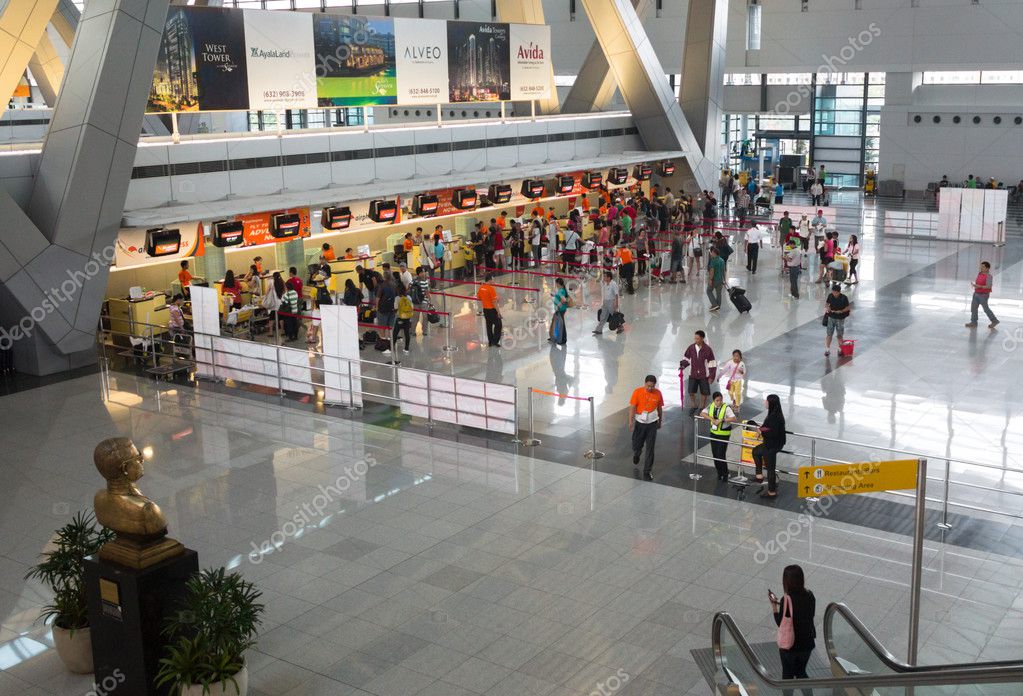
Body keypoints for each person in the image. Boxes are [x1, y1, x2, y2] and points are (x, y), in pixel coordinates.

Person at [770, 565, 816, 692]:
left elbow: (781, 622)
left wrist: (774, 605)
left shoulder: (786, 599)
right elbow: (809, 615)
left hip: (790, 646)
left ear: (787, 581)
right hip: (807, 644)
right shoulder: (810, 595)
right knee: (801, 672)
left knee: (788, 675)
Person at [629, 375, 664, 481]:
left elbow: (659, 408)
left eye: (652, 386)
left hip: (652, 423)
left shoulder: (658, 393)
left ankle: (647, 471)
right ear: (645, 383)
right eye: (648, 386)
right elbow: (632, 407)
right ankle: (637, 452)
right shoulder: (637, 392)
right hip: (640, 423)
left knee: (650, 448)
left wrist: (660, 420)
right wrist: (630, 421)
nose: (650, 388)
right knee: (636, 443)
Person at [753, 393, 786, 497]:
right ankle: (759, 476)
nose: (765, 402)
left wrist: (761, 432)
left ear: (771, 403)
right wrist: (761, 428)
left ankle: (772, 492)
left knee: (770, 468)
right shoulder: (773, 413)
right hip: (769, 443)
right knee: (756, 451)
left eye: (766, 401)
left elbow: (773, 433)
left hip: (773, 445)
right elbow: (768, 427)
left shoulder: (775, 417)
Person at [702, 391, 736, 480]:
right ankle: (719, 473)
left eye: (720, 400)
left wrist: (722, 420)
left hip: (724, 434)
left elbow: (733, 418)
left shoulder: (726, 407)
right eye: (717, 400)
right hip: (713, 433)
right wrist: (712, 419)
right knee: (715, 454)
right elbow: (702, 413)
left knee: (721, 454)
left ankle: (725, 474)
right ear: (713, 400)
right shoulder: (711, 406)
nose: (719, 402)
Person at [680, 330, 717, 412]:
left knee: (704, 392)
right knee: (691, 391)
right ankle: (694, 405)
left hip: (704, 375)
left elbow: (712, 363)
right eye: (695, 338)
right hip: (693, 374)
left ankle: (702, 407)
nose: (695, 340)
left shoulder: (707, 349)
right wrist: (683, 365)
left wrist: (711, 376)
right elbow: (686, 358)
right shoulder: (691, 348)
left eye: (697, 339)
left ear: (702, 338)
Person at [966, 260, 999, 329]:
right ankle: (973, 322)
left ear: (987, 268)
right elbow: (979, 283)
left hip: (983, 295)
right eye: (981, 267)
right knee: (973, 308)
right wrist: (975, 285)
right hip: (976, 294)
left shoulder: (989, 276)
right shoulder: (980, 274)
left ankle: (995, 321)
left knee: (986, 309)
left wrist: (979, 286)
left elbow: (989, 286)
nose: (981, 268)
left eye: (983, 267)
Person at [824, 284, 851, 356]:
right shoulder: (830, 296)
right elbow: (826, 303)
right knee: (829, 334)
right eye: (833, 292)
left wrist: (841, 311)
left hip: (840, 318)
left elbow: (848, 307)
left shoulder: (844, 298)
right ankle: (827, 349)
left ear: (839, 292)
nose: (834, 294)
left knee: (839, 335)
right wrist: (827, 308)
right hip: (831, 317)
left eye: (836, 292)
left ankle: (840, 349)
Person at [593, 270, 622, 335]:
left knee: (615, 316)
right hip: (605, 302)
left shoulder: (613, 284)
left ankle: (620, 327)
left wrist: (616, 304)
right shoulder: (605, 283)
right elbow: (599, 282)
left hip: (612, 302)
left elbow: (616, 294)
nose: (604, 278)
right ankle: (599, 330)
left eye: (605, 277)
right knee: (603, 316)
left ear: (609, 278)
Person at [477, 274, 502, 347]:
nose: (493, 281)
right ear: (490, 280)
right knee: (498, 325)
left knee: (489, 326)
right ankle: (495, 341)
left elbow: (479, 297)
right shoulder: (491, 289)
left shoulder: (481, 287)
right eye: (493, 280)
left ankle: (490, 342)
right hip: (492, 310)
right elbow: (494, 302)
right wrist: (498, 312)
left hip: (485, 310)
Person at [376, 275, 398, 352]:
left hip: (383, 310)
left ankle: (384, 346)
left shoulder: (382, 286)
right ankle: (391, 345)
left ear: (384, 277)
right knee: (390, 328)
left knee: (382, 328)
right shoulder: (395, 285)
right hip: (392, 309)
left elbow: (378, 298)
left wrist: (377, 308)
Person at [410, 267, 432, 337]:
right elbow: (427, 293)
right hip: (423, 302)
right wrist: (430, 300)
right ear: (419, 273)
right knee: (425, 317)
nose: (423, 273)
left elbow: (408, 288)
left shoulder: (413, 281)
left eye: (424, 272)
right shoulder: (425, 281)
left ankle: (412, 331)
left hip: (415, 302)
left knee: (415, 317)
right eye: (422, 272)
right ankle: (425, 331)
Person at [549, 277, 570, 346]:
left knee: (560, 324)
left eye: (556, 283)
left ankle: (561, 339)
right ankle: (559, 338)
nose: (555, 285)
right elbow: (561, 297)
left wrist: (558, 305)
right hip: (561, 309)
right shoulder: (562, 289)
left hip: (560, 310)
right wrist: (554, 295)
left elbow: (563, 299)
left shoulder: (561, 290)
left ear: (558, 283)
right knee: (559, 323)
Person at [394, 285, 414, 354]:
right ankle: (406, 348)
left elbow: (396, 307)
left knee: (395, 333)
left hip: (400, 318)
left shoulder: (397, 298)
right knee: (407, 333)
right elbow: (412, 307)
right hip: (408, 318)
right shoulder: (408, 297)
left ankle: (392, 347)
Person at [706, 247, 725, 311]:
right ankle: (718, 306)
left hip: (714, 280)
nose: (711, 254)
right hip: (720, 279)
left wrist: (710, 280)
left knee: (708, 291)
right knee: (719, 293)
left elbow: (712, 271)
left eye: (712, 253)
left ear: (714, 253)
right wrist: (724, 279)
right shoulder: (722, 260)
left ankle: (714, 305)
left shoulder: (713, 261)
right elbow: (723, 271)